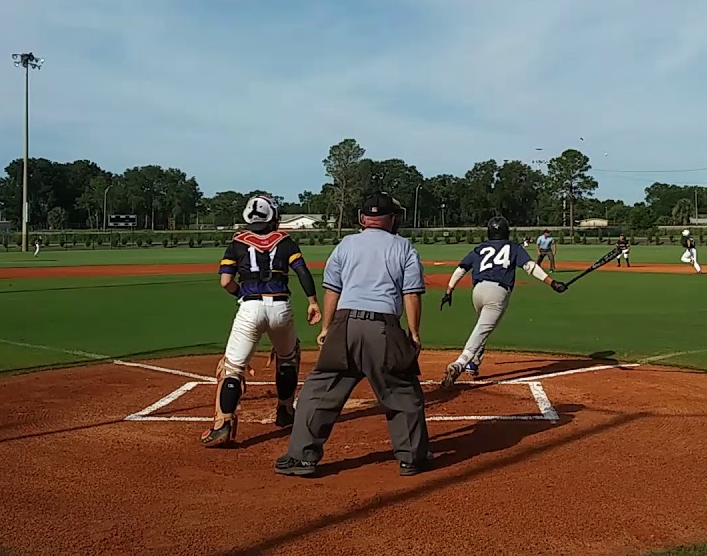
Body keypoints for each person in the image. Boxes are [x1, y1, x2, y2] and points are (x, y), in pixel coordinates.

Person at [275, 192, 431, 478]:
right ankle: (412, 458)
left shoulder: (345, 244)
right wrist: (414, 333)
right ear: (392, 219)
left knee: (319, 389)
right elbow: (411, 295)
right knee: (401, 389)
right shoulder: (404, 247)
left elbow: (332, 288)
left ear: (362, 218)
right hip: (383, 328)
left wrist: (326, 328)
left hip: (345, 325)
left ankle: (301, 457)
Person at [201, 195, 321, 447]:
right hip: (280, 307)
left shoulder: (237, 242)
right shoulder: (285, 241)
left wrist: (241, 294)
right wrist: (312, 302)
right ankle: (286, 411)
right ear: (273, 218)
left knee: (232, 368)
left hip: (250, 307)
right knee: (288, 357)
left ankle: (222, 426)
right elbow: (302, 272)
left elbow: (225, 282)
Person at [439, 216, 566, 385]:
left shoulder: (480, 248)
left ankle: (474, 363)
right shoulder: (513, 247)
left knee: (483, 326)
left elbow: (461, 269)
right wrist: (552, 283)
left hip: (477, 292)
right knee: (483, 329)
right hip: (497, 293)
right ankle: (460, 363)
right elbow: (530, 267)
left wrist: (449, 290)